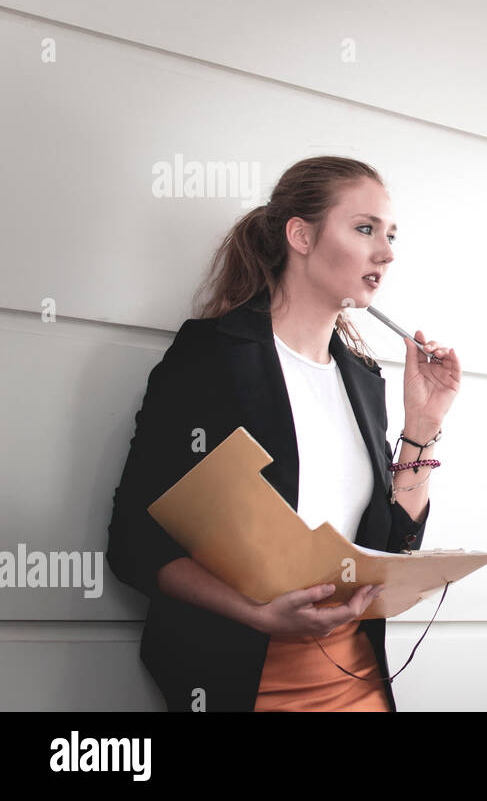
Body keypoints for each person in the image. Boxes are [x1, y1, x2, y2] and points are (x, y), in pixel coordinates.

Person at [106, 156, 460, 711]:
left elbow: (393, 548)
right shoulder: (212, 357)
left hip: (359, 683)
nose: (386, 252)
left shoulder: (364, 382)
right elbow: (134, 543)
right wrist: (255, 613)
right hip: (246, 682)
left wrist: (424, 425)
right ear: (300, 234)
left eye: (391, 235)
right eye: (365, 229)